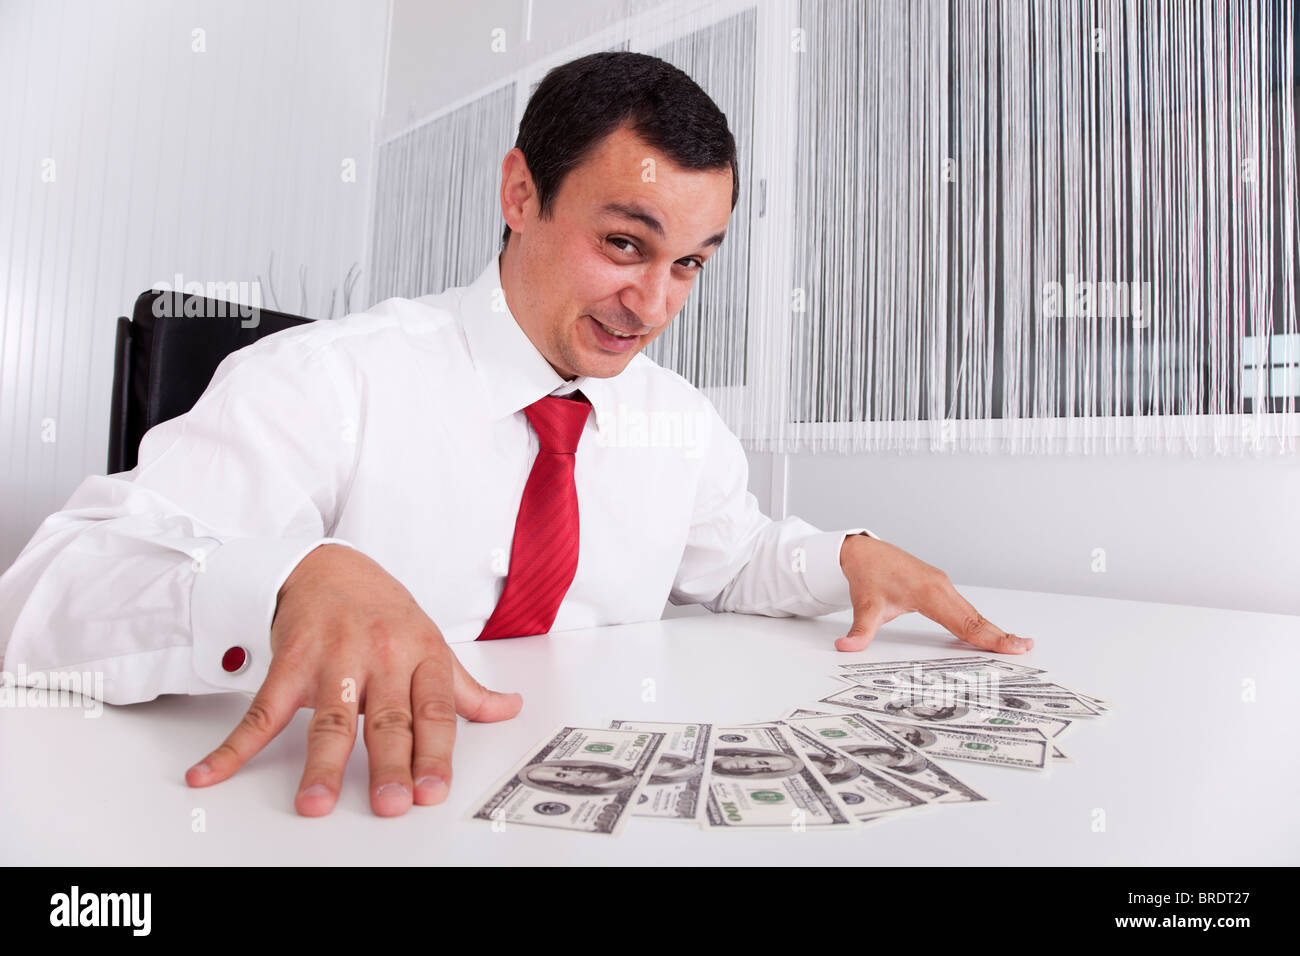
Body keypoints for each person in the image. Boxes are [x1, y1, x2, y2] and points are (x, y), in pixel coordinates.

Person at [0, 51, 1032, 820]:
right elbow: (42, 593)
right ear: (519, 193)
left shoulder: (676, 418)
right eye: (624, 244)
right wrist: (287, 579)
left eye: (691, 264)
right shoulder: (325, 377)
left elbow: (734, 555)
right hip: (342, 822)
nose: (655, 302)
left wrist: (842, 555)